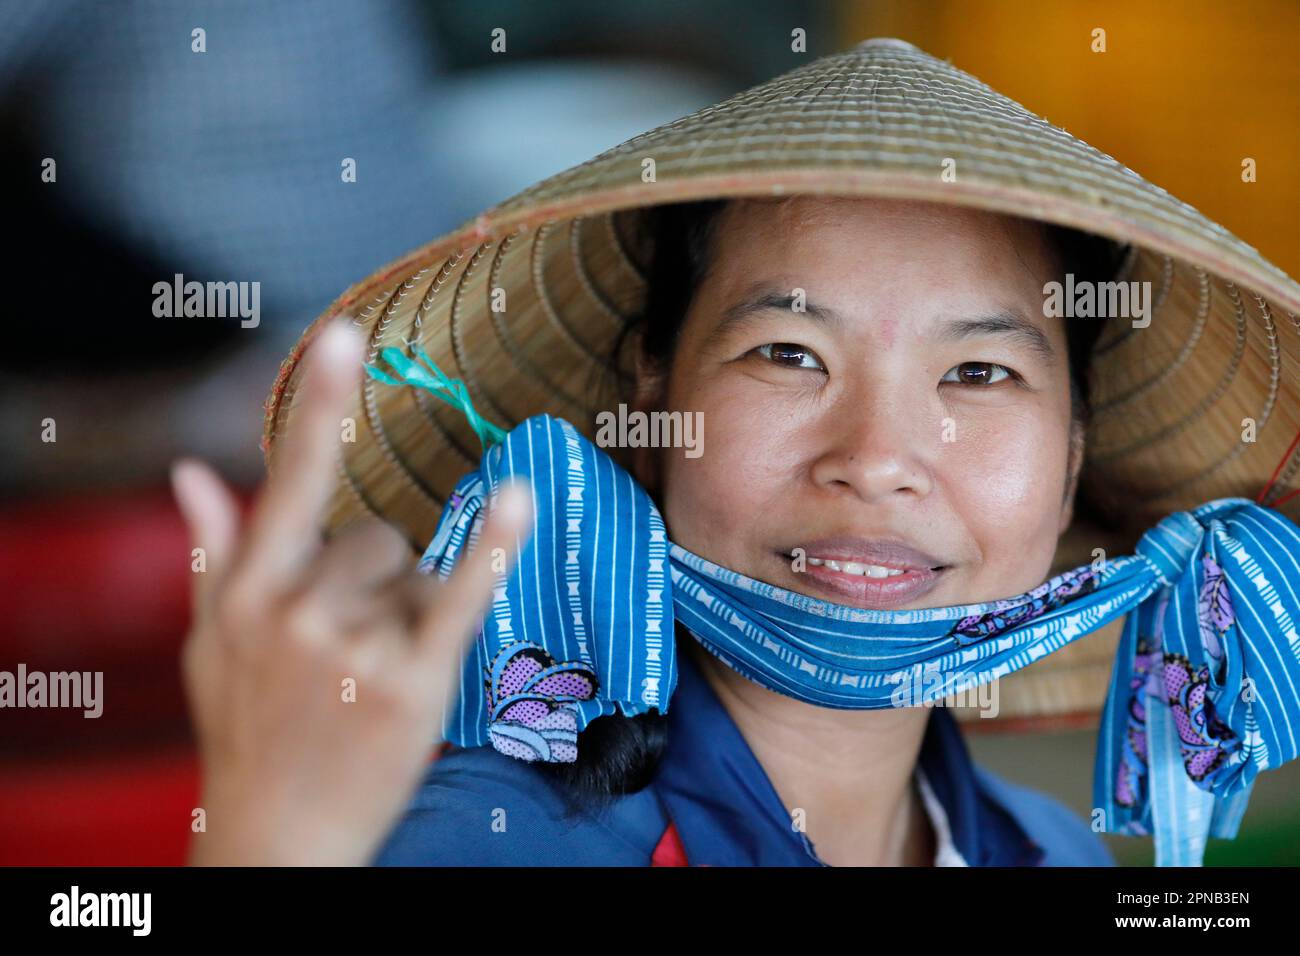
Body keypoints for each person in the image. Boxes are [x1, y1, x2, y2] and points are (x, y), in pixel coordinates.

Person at [174, 39, 1300, 867]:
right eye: (789, 353)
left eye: (979, 373)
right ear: (653, 396)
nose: (875, 457)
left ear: (1070, 465)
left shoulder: (1053, 853)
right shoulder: (480, 842)